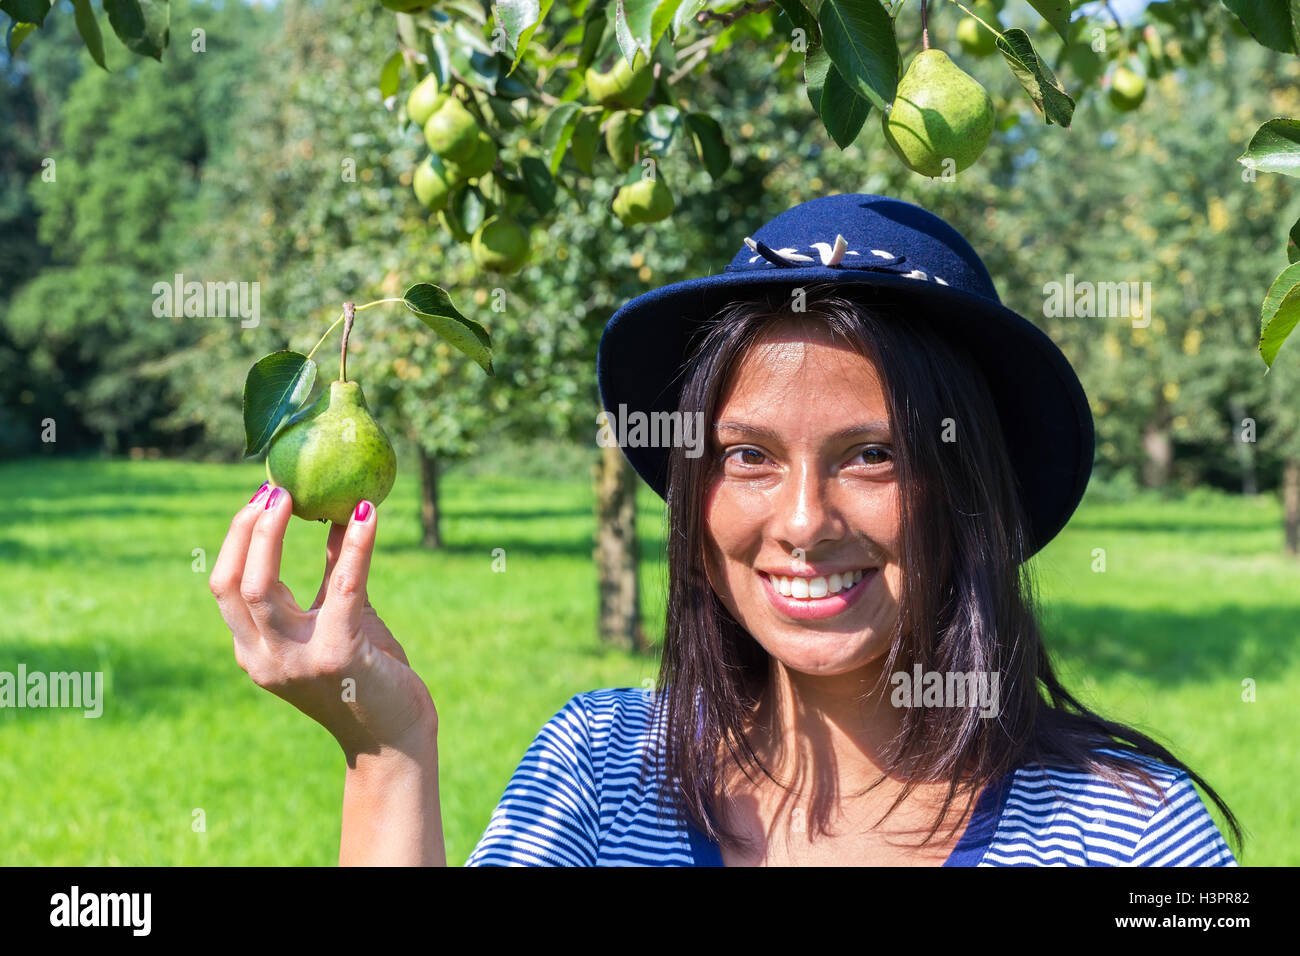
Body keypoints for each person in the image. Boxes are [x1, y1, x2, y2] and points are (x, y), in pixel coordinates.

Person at [210, 194, 1242, 866]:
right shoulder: (601, 771)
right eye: (748, 455)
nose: (800, 521)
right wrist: (387, 750)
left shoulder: (1125, 838)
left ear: (968, 488)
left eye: (872, 454)